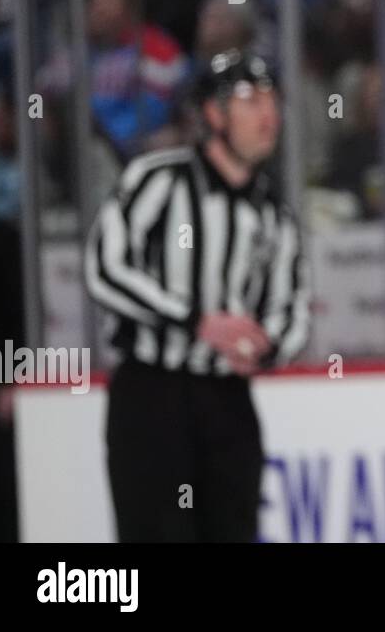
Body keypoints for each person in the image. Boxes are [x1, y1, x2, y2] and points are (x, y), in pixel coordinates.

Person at [84, 50, 310, 541]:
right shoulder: (157, 179)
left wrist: (265, 345)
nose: (268, 114)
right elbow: (105, 267)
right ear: (213, 114)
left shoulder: (275, 214)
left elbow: (291, 309)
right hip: (151, 396)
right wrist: (196, 320)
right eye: (250, 100)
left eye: (273, 99)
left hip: (227, 401)